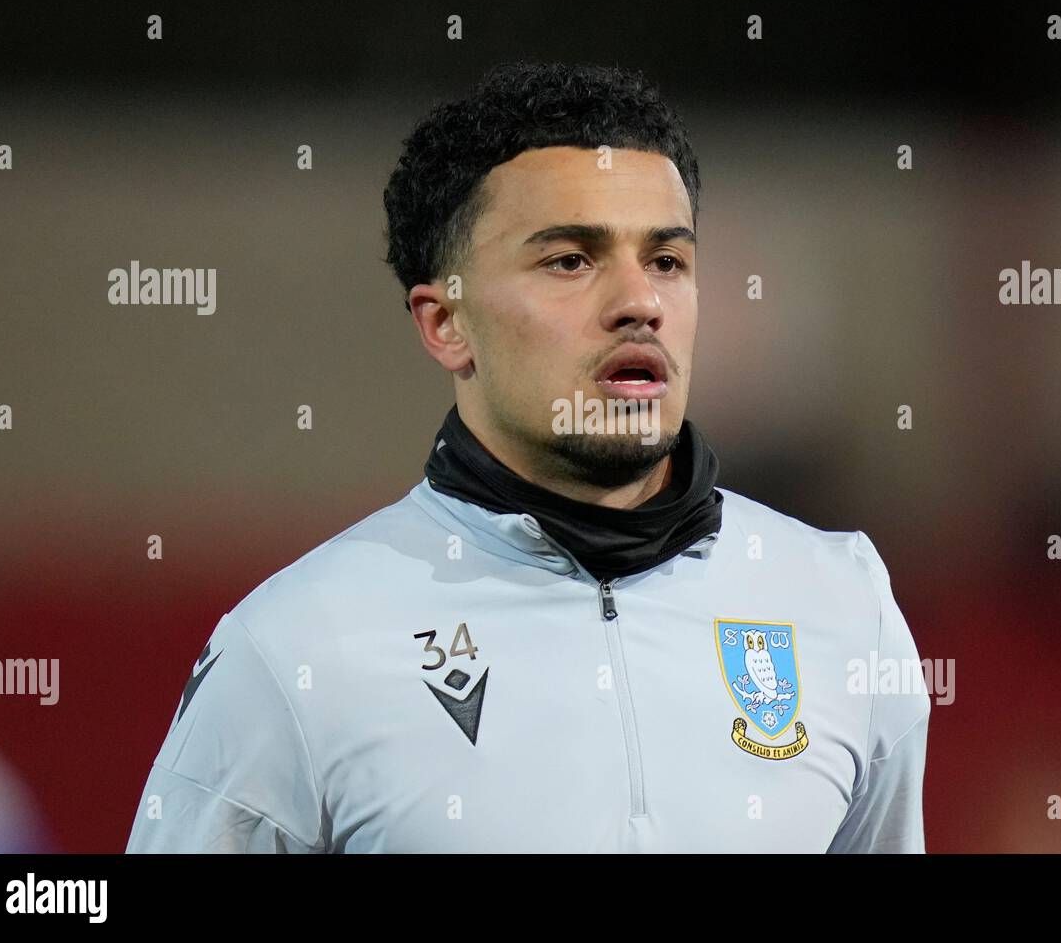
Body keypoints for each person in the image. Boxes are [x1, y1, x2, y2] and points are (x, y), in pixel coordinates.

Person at [126, 60, 930, 853]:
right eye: (570, 261)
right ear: (446, 323)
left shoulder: (843, 607)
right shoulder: (296, 649)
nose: (639, 303)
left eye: (667, 260)